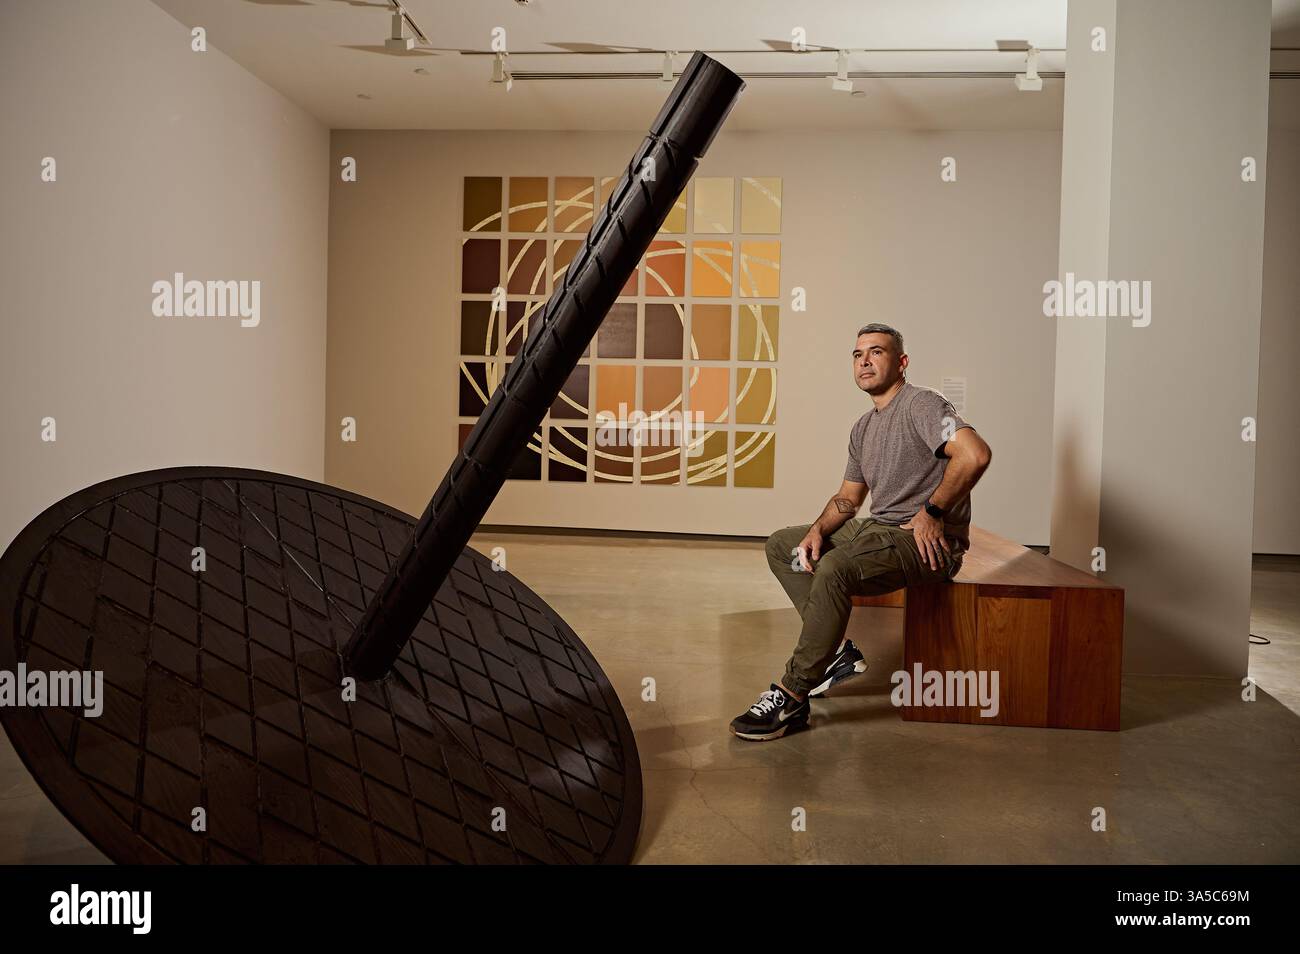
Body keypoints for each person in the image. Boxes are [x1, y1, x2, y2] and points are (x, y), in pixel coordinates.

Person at [729, 323, 993, 740]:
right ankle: (833, 655)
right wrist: (816, 530)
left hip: (925, 544)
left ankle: (793, 694)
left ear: (901, 362)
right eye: (857, 355)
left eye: (876, 352)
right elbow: (849, 499)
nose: (865, 361)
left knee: (834, 568)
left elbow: (975, 454)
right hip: (879, 528)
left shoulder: (922, 405)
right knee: (785, 546)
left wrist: (932, 511)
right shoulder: (864, 427)